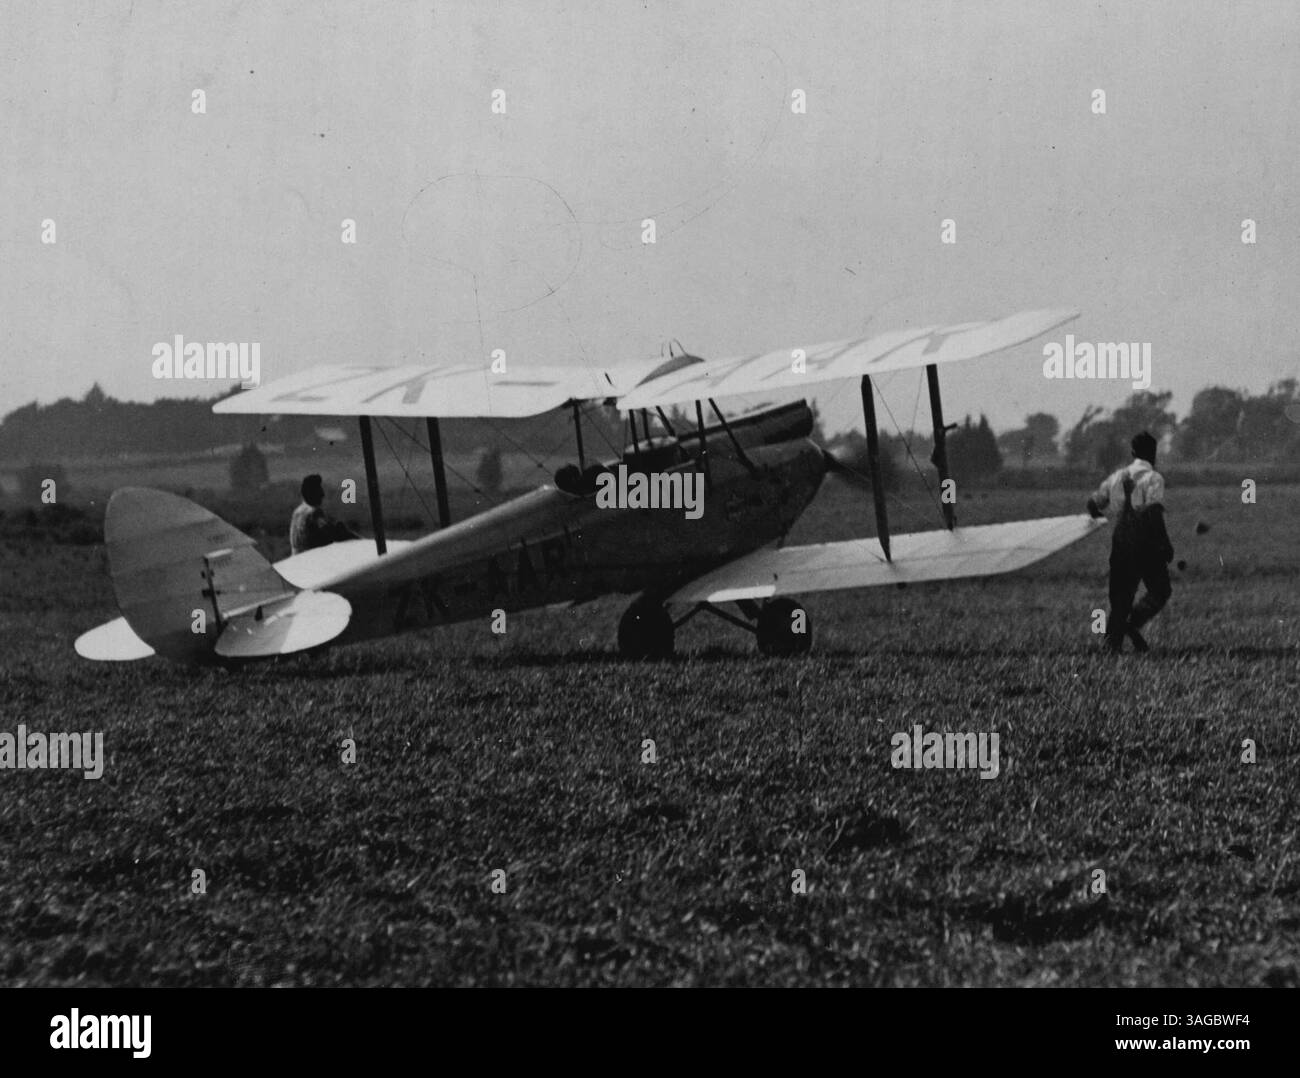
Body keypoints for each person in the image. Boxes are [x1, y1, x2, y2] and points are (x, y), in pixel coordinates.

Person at [1086, 432, 1174, 653]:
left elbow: (1093, 503)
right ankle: (1132, 624)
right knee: (1160, 589)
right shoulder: (1154, 478)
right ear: (1153, 454)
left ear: (1133, 453)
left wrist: (1100, 520)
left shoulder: (1117, 476)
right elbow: (1153, 512)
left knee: (1120, 597)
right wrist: (1165, 543)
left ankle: (1111, 646)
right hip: (1146, 540)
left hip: (1121, 539)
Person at [289, 474, 360, 555]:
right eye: (319, 490)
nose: (322, 494)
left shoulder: (297, 512)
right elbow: (333, 532)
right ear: (312, 493)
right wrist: (356, 539)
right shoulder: (314, 513)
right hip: (312, 560)